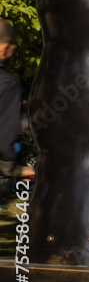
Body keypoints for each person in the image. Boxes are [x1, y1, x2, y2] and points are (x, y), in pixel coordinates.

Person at [0, 19, 30, 201]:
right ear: (3, 47)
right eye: (13, 47)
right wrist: (15, 170)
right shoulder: (6, 84)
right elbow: (3, 139)